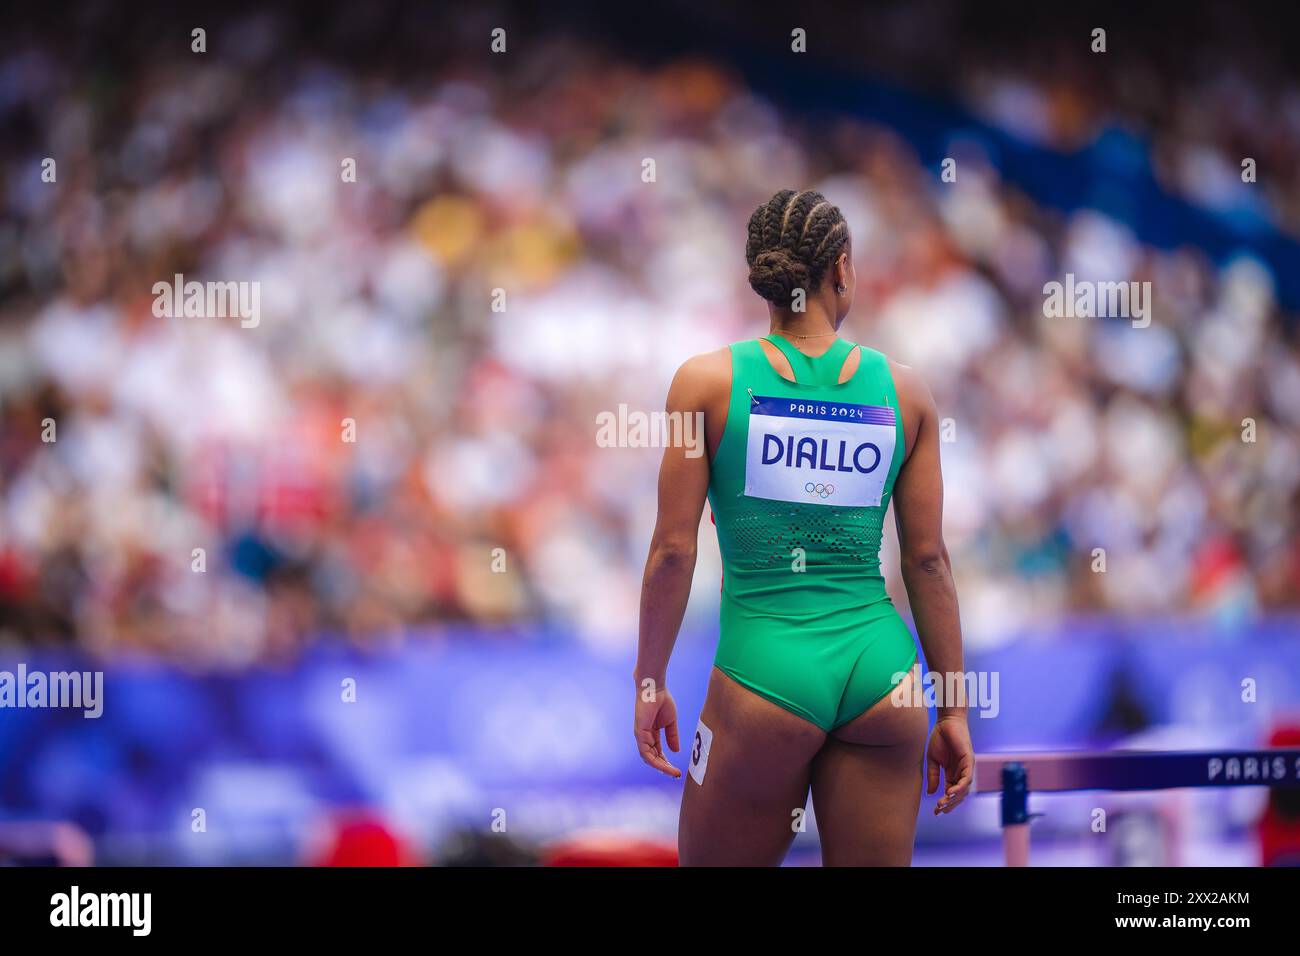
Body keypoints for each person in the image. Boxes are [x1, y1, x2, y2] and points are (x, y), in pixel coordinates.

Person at [634, 189, 973, 865]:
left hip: (764, 674)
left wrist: (650, 681)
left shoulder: (707, 384)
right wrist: (955, 709)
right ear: (841, 269)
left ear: (761, 273)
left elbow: (675, 549)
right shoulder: (905, 393)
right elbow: (928, 561)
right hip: (884, 674)